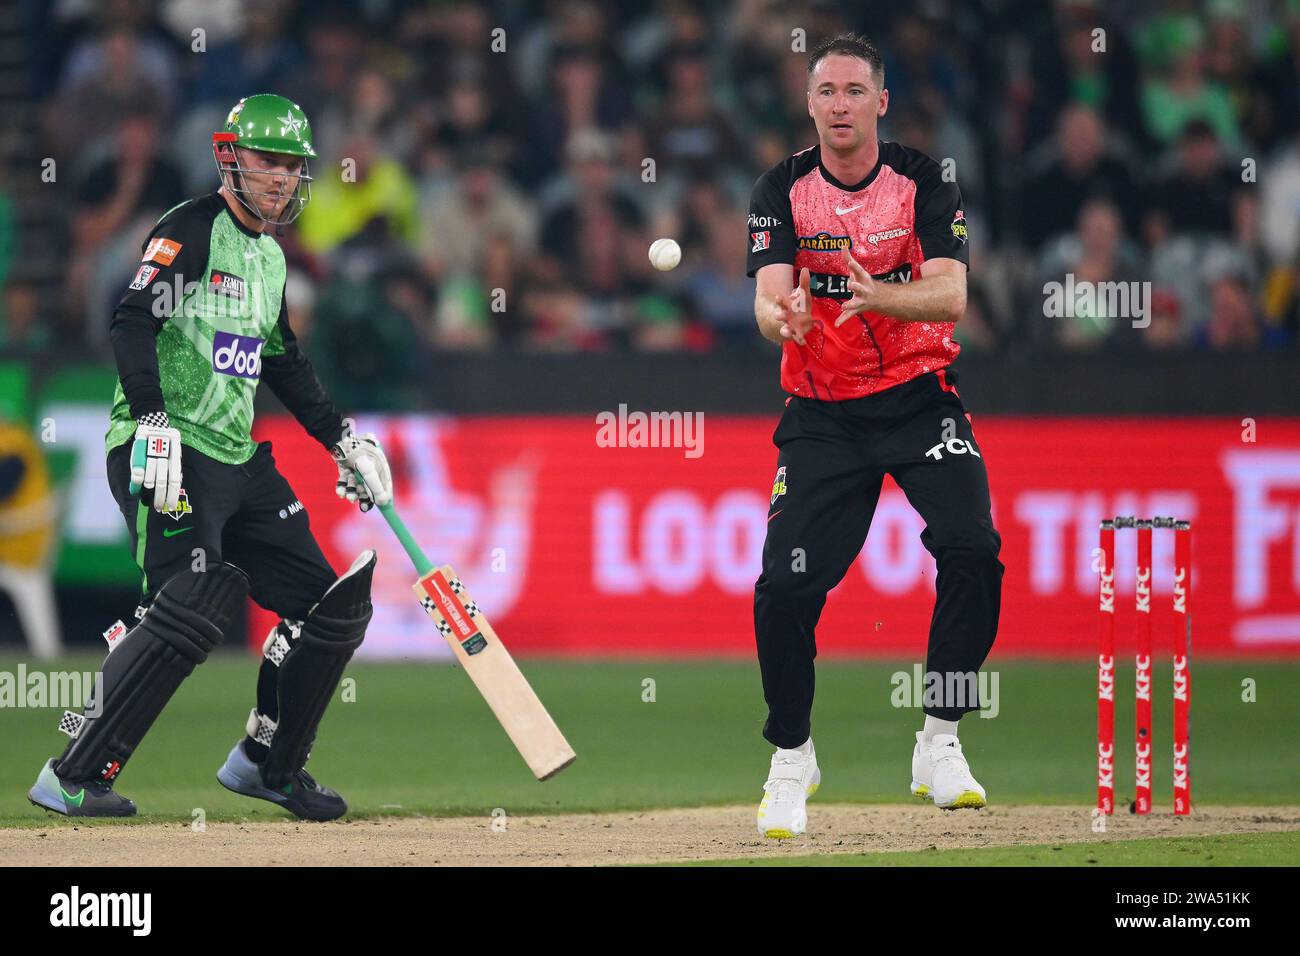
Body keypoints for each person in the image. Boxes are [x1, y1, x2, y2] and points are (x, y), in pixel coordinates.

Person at [27, 94, 394, 822]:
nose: (282, 179)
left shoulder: (270, 257)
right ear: (230, 157)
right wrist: (154, 421)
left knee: (330, 609)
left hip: (237, 458)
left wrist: (340, 438)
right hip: (167, 448)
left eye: (293, 166)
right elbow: (131, 323)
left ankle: (269, 764)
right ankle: (72, 774)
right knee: (189, 606)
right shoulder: (190, 230)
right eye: (268, 162)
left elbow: (281, 361)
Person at [746, 35, 1003, 838]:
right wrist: (781, 316)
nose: (841, 106)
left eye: (856, 91)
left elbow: (952, 296)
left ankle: (941, 738)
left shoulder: (924, 181)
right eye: (827, 92)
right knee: (784, 587)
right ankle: (792, 755)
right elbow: (767, 300)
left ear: (881, 103)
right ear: (810, 103)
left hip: (921, 402)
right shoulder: (781, 187)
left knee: (972, 550)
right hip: (823, 414)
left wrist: (879, 297)